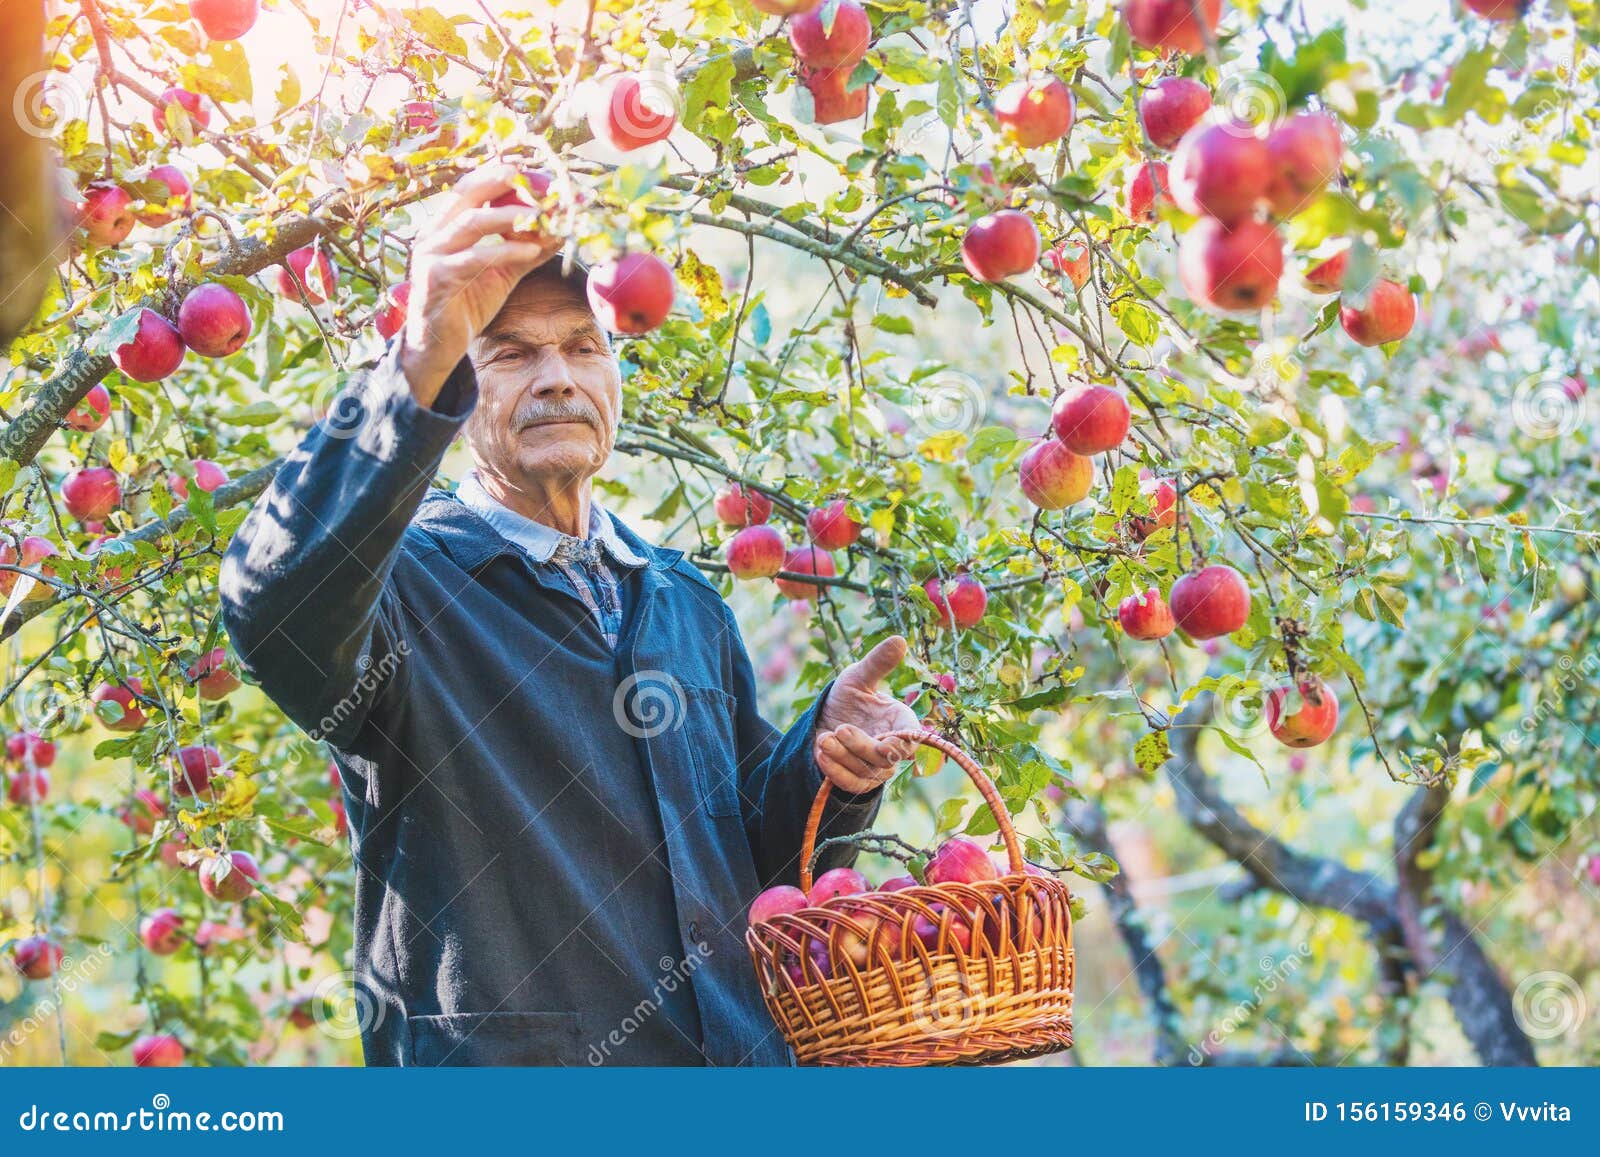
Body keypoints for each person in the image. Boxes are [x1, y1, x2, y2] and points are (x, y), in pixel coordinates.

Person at [219, 165, 921, 1066]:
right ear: (458, 388)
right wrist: (418, 350)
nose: (557, 378)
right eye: (510, 353)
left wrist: (827, 762)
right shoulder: (401, 593)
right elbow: (273, 608)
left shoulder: (680, 599)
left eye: (584, 347)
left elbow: (751, 870)